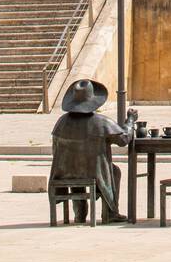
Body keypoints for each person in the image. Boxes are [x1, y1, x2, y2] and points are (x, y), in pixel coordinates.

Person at [49, 79, 134, 223]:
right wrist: (130, 121)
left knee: (75, 170)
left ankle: (80, 214)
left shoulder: (61, 123)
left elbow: (55, 150)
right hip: (94, 172)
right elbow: (124, 139)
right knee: (114, 171)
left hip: (66, 173)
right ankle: (111, 212)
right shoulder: (101, 122)